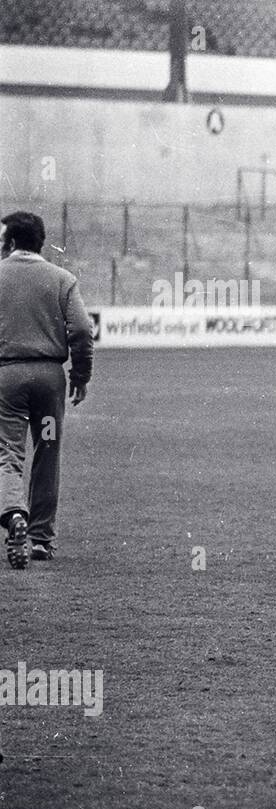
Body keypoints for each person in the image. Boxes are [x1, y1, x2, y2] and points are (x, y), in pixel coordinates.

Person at [0, 210, 94, 569]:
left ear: (9, 242)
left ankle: (12, 514)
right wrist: (80, 376)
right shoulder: (61, 279)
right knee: (47, 449)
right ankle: (40, 539)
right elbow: (82, 331)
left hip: (7, 378)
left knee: (7, 450)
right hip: (49, 380)